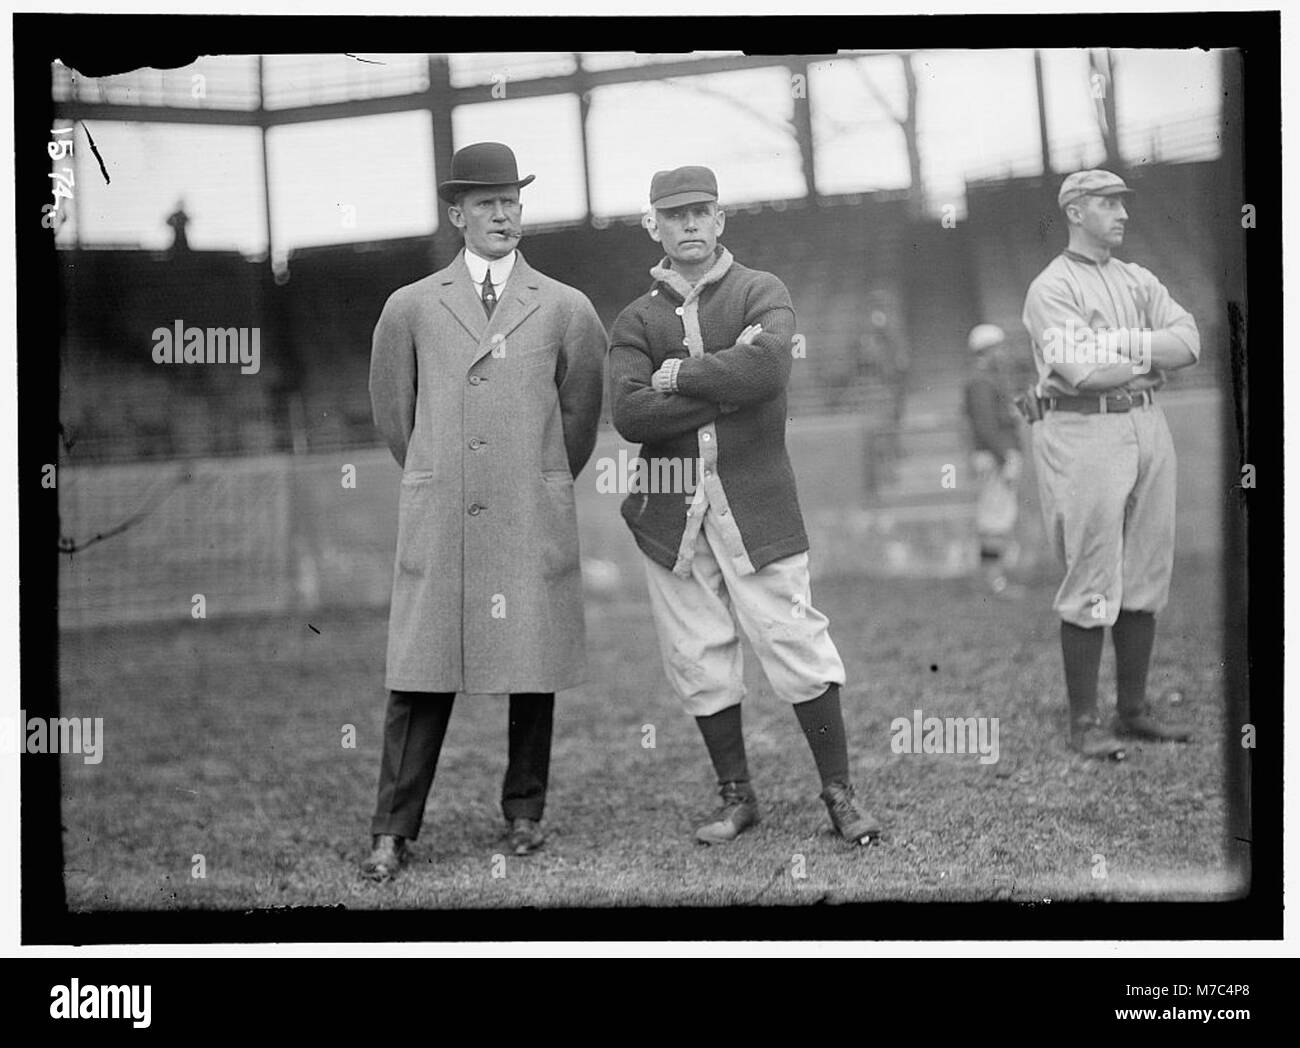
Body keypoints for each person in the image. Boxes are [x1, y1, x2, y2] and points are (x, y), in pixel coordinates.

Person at [608, 165, 879, 847]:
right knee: (697, 655)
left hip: (756, 502)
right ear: (654, 226)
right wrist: (729, 383)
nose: (690, 224)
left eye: (701, 211)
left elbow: (771, 368)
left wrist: (683, 378)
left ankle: (839, 792)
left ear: (721, 218)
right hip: (669, 512)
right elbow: (631, 414)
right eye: (675, 215)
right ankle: (738, 796)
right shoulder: (637, 318)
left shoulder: (761, 288)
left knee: (796, 641)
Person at [362, 142, 607, 880]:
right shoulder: (410, 306)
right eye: (486, 203)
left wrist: (533, 478)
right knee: (420, 673)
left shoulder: (566, 307)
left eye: (512, 201)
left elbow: (581, 416)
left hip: (527, 509)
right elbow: (393, 416)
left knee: (530, 664)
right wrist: (442, 472)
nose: (503, 214)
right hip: (443, 513)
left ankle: (524, 812)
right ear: (457, 215)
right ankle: (392, 830)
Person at [1021, 169, 1198, 760]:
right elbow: (1083, 370)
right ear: (1075, 211)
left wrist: (1122, 346)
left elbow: (1190, 342)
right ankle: (1084, 721)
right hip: (1084, 425)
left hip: (1147, 421)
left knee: (1147, 567)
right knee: (1094, 569)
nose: (1121, 213)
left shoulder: (1137, 277)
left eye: (1122, 203)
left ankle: (1133, 711)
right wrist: (1148, 352)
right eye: (1107, 203)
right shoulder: (1051, 288)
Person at [962, 323, 1025, 597]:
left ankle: (993, 580)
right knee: (994, 520)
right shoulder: (980, 382)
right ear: (986, 351)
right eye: (998, 348)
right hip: (994, 458)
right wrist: (1006, 456)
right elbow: (986, 427)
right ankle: (994, 581)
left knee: (997, 518)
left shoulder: (989, 380)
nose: (1003, 353)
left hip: (997, 456)